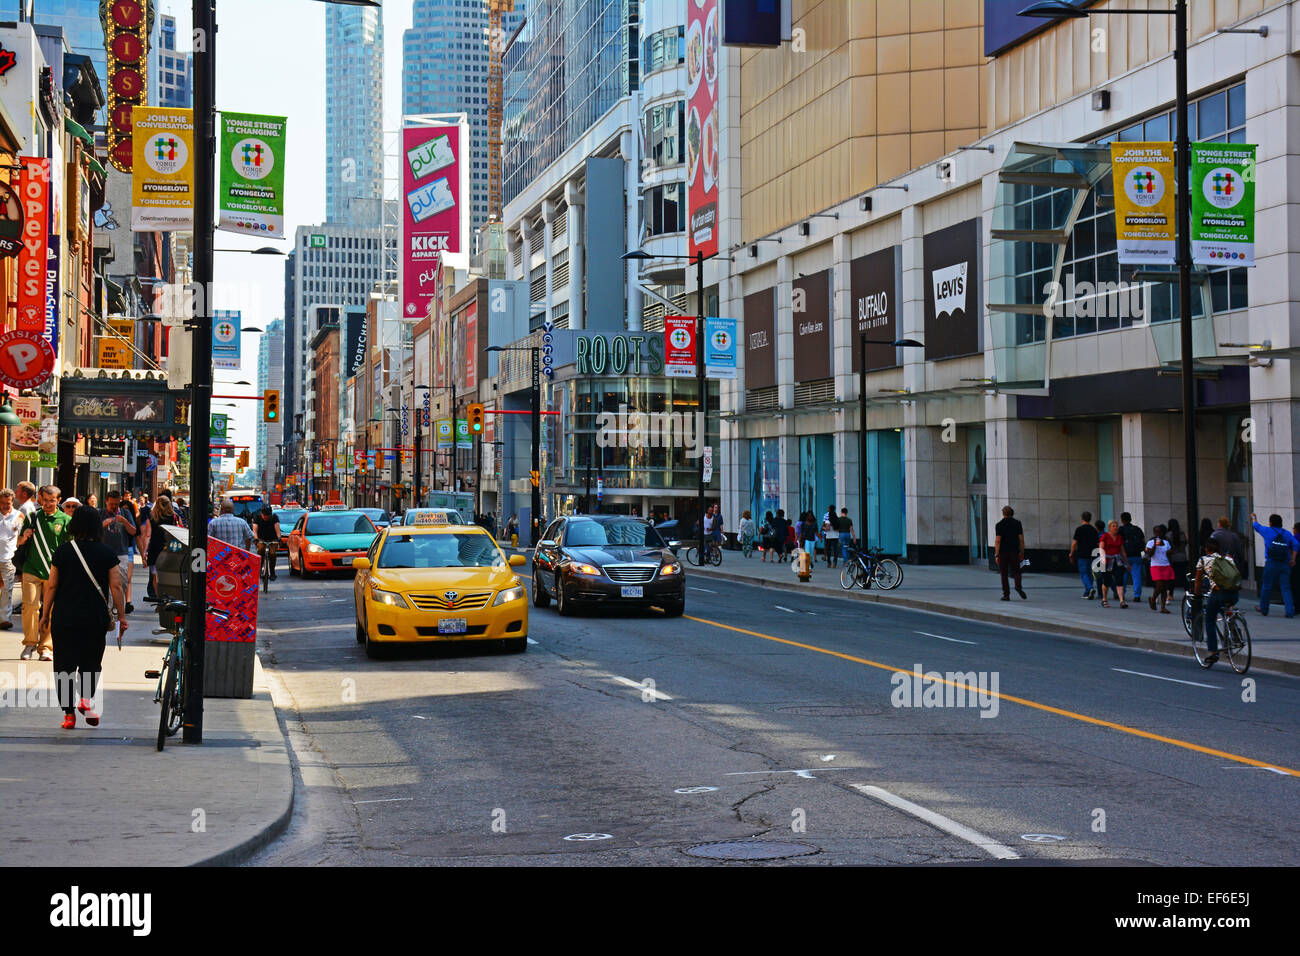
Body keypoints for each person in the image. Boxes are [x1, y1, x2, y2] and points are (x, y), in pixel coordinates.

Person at [41, 505, 127, 729]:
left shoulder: (62, 551)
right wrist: (122, 617)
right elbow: (116, 587)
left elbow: (51, 586)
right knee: (91, 662)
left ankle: (69, 715)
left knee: (64, 665)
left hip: (65, 617)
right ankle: (86, 700)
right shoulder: (106, 553)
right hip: (94, 618)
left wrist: (45, 614)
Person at [17, 485, 71, 661]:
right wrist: (24, 537)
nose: (48, 504)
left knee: (50, 611)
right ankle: (30, 644)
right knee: (30, 606)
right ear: (40, 498)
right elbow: (18, 542)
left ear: (59, 500)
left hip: (54, 572)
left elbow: (70, 548)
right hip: (31, 568)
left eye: (52, 500)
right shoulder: (33, 517)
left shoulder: (65, 520)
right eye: (45, 500)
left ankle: (46, 647)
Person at [1194, 537, 1241, 667]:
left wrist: (1197, 593)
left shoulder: (1203, 560)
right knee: (1226, 610)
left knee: (1209, 619)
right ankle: (1235, 631)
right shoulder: (1228, 558)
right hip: (1234, 593)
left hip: (1218, 593)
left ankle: (1213, 652)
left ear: (1206, 549)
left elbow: (1198, 580)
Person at [1250, 512, 1297, 618]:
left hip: (1271, 563)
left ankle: (1264, 608)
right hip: (1285, 563)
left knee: (1267, 586)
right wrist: (1293, 559)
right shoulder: (1287, 534)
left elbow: (1256, 526)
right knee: (1286, 588)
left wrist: (1254, 518)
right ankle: (1289, 611)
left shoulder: (1267, 531)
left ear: (1270, 523)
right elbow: (1296, 545)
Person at [99, 491, 137, 615]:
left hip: (122, 552)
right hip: (104, 552)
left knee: (122, 582)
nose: (114, 507)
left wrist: (125, 522)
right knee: (106, 582)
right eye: (111, 504)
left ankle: (117, 604)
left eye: (116, 504)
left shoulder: (125, 513)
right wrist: (102, 525)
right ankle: (108, 609)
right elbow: (93, 532)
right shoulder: (100, 513)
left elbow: (133, 532)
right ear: (106, 502)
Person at [0, 489, 25, 631]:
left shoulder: (18, 516)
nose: (5, 506)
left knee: (7, 589)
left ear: (12, 501)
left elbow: (21, 536)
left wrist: (22, 539)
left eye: (8, 503)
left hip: (8, 558)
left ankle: (4, 619)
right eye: (2, 503)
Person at [994, 505, 1026, 600]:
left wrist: (996, 554)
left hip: (1003, 552)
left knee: (1004, 574)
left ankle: (1006, 595)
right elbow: (1021, 539)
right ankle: (1018, 586)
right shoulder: (1017, 523)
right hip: (1014, 552)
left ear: (1003, 513)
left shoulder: (999, 525)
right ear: (1012, 513)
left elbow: (998, 540)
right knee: (1017, 571)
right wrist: (1022, 552)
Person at [1098, 519, 1130, 608]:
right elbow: (1101, 548)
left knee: (1120, 580)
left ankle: (1122, 601)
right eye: (1113, 526)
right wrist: (1103, 558)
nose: (1115, 527)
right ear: (1109, 527)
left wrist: (1127, 563)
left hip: (1117, 561)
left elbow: (1122, 551)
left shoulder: (1119, 537)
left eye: (1116, 526)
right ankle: (1104, 599)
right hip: (1107, 561)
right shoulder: (1105, 536)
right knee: (1106, 581)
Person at [1068, 511, 1100, 599]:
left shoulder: (1079, 529)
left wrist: (1071, 553)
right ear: (1090, 518)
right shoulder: (1094, 530)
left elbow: (1074, 543)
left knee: (1083, 573)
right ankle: (1087, 592)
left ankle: (1090, 588)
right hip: (1092, 554)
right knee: (1090, 573)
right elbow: (1098, 543)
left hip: (1082, 554)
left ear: (1082, 518)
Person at [1145, 525, 1175, 613]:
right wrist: (1155, 545)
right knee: (1159, 585)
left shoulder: (1166, 542)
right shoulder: (1150, 542)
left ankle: (1163, 607)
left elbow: (1170, 552)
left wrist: (1170, 551)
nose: (1158, 534)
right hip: (1155, 565)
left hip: (1165, 565)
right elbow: (1149, 554)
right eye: (1156, 532)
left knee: (1164, 587)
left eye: (1160, 532)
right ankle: (1153, 598)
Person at [1118, 512, 1145, 602]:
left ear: (1122, 520)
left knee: (1123, 576)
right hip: (1137, 555)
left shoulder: (1121, 530)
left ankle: (1121, 594)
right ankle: (1137, 595)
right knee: (1136, 576)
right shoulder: (1137, 529)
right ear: (1130, 519)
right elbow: (1143, 541)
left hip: (1124, 556)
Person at [1210, 516, 1246, 581]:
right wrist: (1241, 565)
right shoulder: (1234, 535)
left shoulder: (1214, 535)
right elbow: (1239, 551)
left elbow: (1211, 550)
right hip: (1232, 563)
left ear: (1219, 524)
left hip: (1219, 564)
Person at [251, 504, 283, 580]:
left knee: (272, 553)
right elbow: (255, 530)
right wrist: (256, 538)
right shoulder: (257, 518)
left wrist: (279, 538)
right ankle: (259, 570)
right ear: (261, 514)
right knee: (260, 551)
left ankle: (272, 571)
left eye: (268, 515)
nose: (266, 517)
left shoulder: (274, 517)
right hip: (261, 538)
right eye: (264, 515)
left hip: (273, 539)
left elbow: (277, 528)